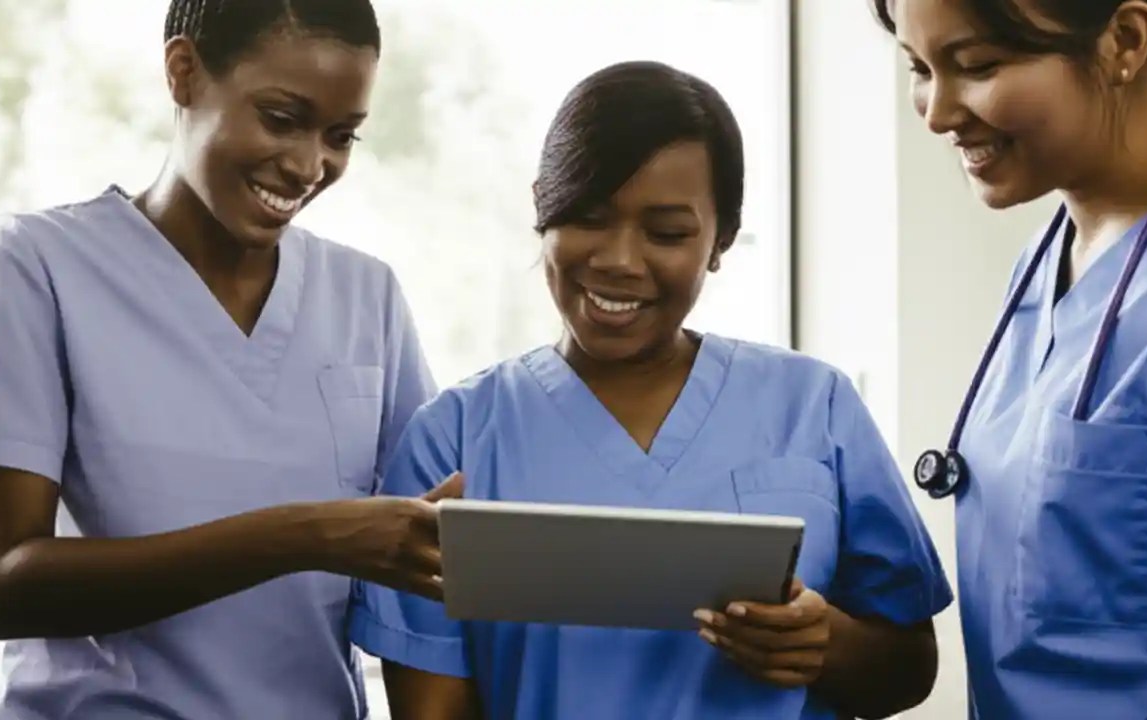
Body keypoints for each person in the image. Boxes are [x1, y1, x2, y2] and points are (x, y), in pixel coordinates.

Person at [348, 60, 953, 720]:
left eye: (667, 233)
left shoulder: (815, 407)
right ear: (541, 212)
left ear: (720, 239)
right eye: (586, 217)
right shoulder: (453, 438)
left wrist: (825, 644)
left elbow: (909, 668)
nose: (619, 260)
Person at [0, 1, 459, 718]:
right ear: (183, 73)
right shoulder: (38, 269)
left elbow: (430, 557)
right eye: (280, 118)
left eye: (340, 136)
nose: (309, 166)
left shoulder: (367, 296)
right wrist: (306, 535)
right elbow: (4, 584)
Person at [875, 0, 1147, 716]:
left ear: (1124, 40)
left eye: (978, 66)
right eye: (919, 69)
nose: (936, 113)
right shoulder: (1045, 256)